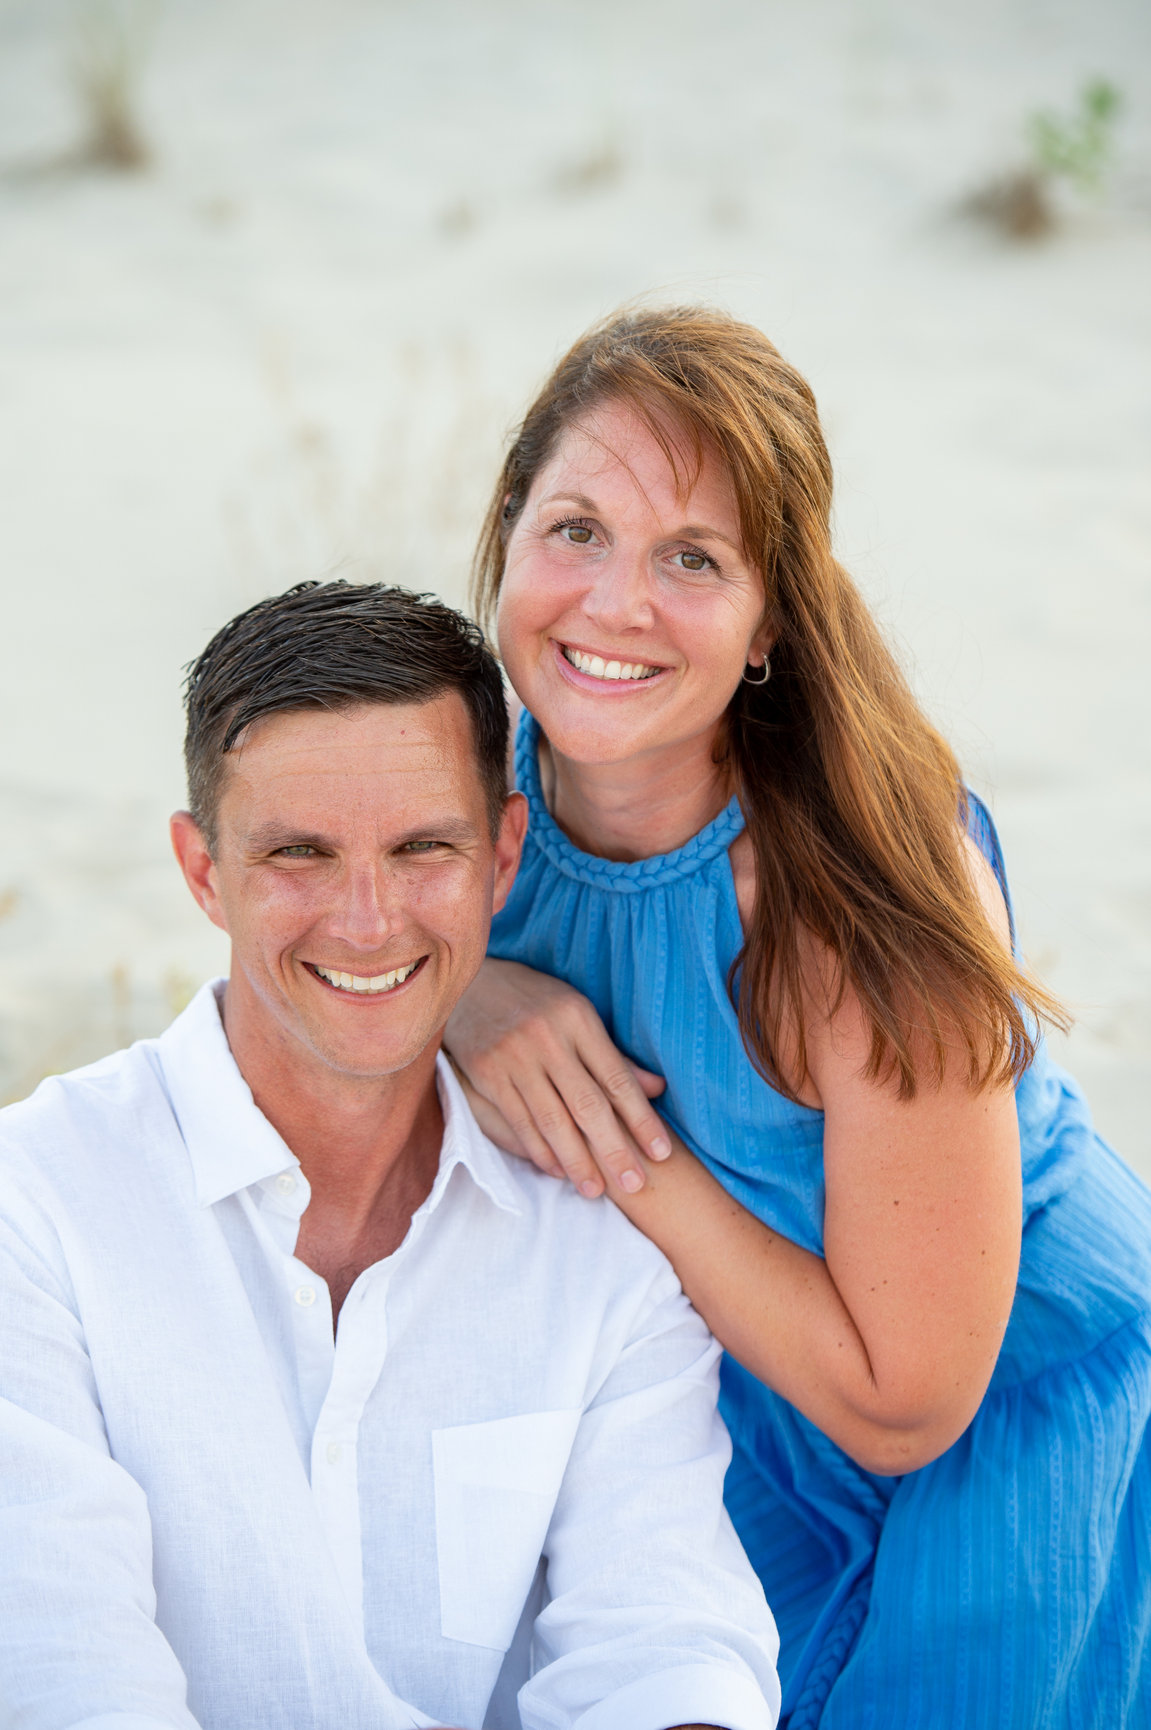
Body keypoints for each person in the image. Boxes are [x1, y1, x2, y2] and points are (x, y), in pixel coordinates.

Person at [442, 306, 1151, 1729]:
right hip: (708, 1418)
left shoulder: (854, 883)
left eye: (690, 558)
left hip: (992, 1424)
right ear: (506, 533)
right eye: (575, 527)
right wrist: (462, 991)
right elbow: (292, 961)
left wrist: (610, 1147)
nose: (613, 601)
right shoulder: (456, 796)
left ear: (769, 618)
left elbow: (905, 1396)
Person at [0, 581, 783, 1730]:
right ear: (203, 868)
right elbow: (62, 1671)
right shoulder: (38, 1204)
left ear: (504, 854)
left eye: (423, 847)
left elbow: (666, 1650)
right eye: (299, 853)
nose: (366, 920)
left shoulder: (601, 1232)